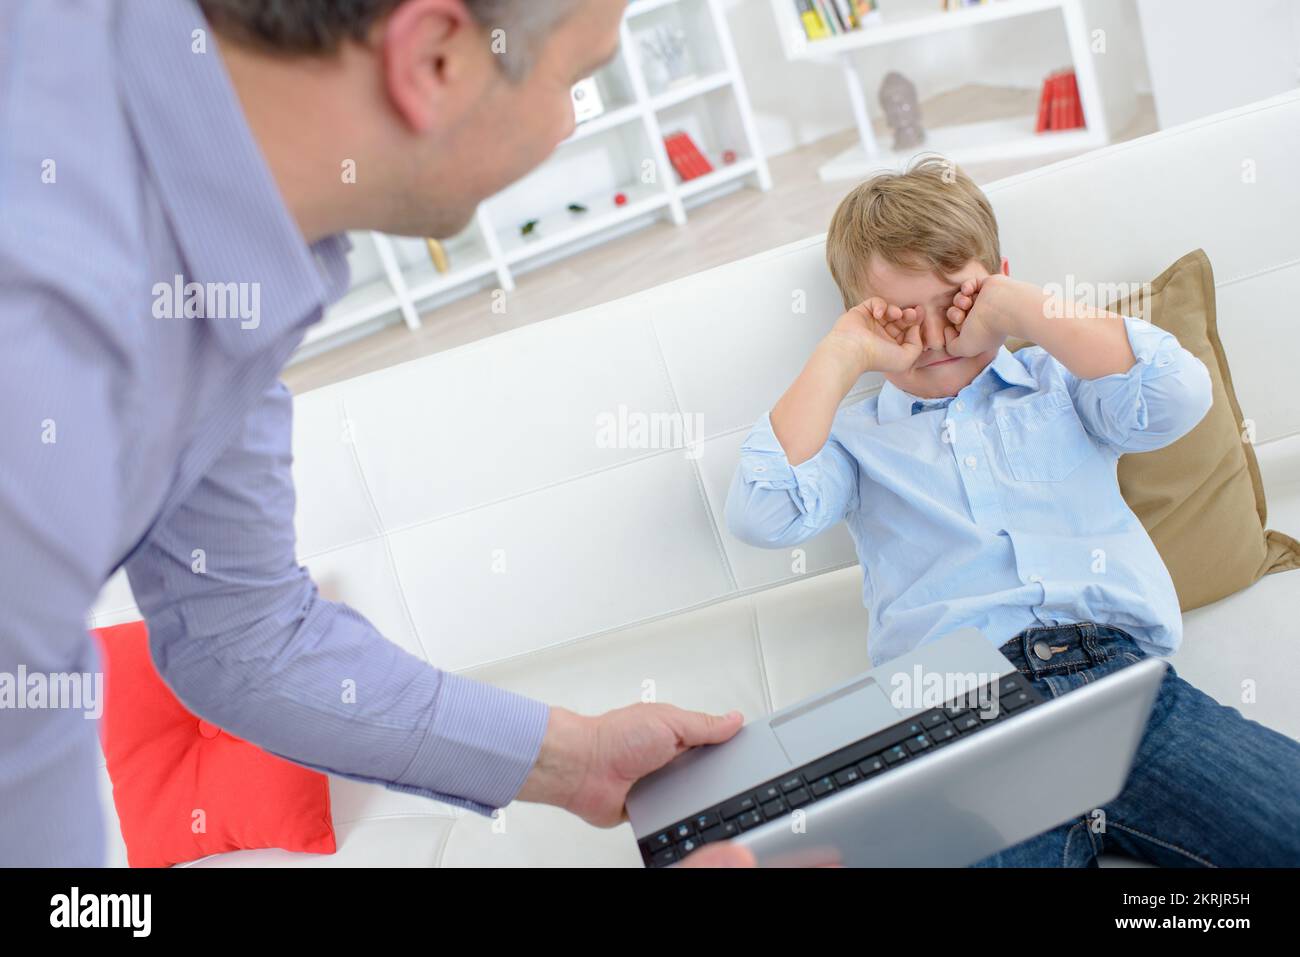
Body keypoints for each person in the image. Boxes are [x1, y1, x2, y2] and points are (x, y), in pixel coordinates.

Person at [0, 0, 751, 867]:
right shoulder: (43, 316)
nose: (564, 126)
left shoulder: (225, 253)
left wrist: (575, 760)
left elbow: (241, 634)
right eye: (574, 80)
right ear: (434, 58)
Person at [725, 157, 1300, 865]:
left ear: (997, 278)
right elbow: (761, 511)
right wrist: (843, 354)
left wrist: (1024, 310)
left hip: (1120, 689)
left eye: (957, 303)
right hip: (961, 724)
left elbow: (1178, 392)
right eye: (901, 317)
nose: (935, 338)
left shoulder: (1060, 382)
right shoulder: (854, 440)